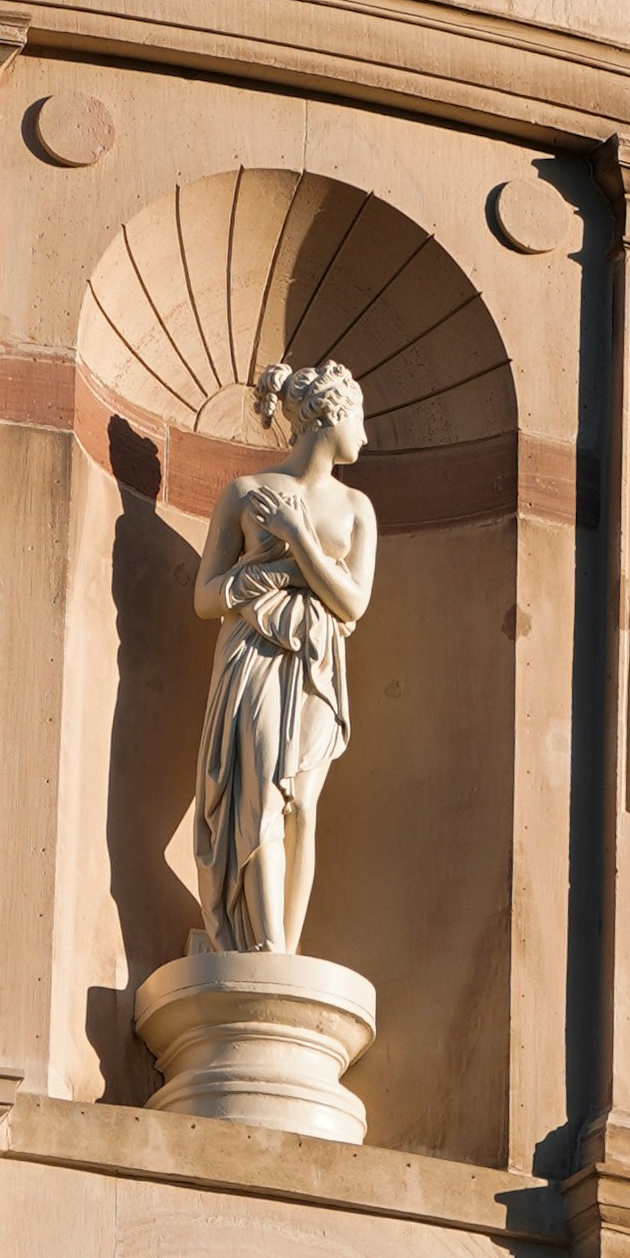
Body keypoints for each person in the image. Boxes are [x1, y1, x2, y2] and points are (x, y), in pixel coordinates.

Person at [185, 362, 377, 956]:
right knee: (261, 793)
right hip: (256, 656)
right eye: (360, 419)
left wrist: (298, 538)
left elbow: (353, 604)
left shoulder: (356, 509)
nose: (366, 437)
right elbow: (205, 597)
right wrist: (273, 573)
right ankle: (262, 946)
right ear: (330, 415)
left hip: (319, 664)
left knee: (303, 807)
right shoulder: (245, 493)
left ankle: (285, 950)